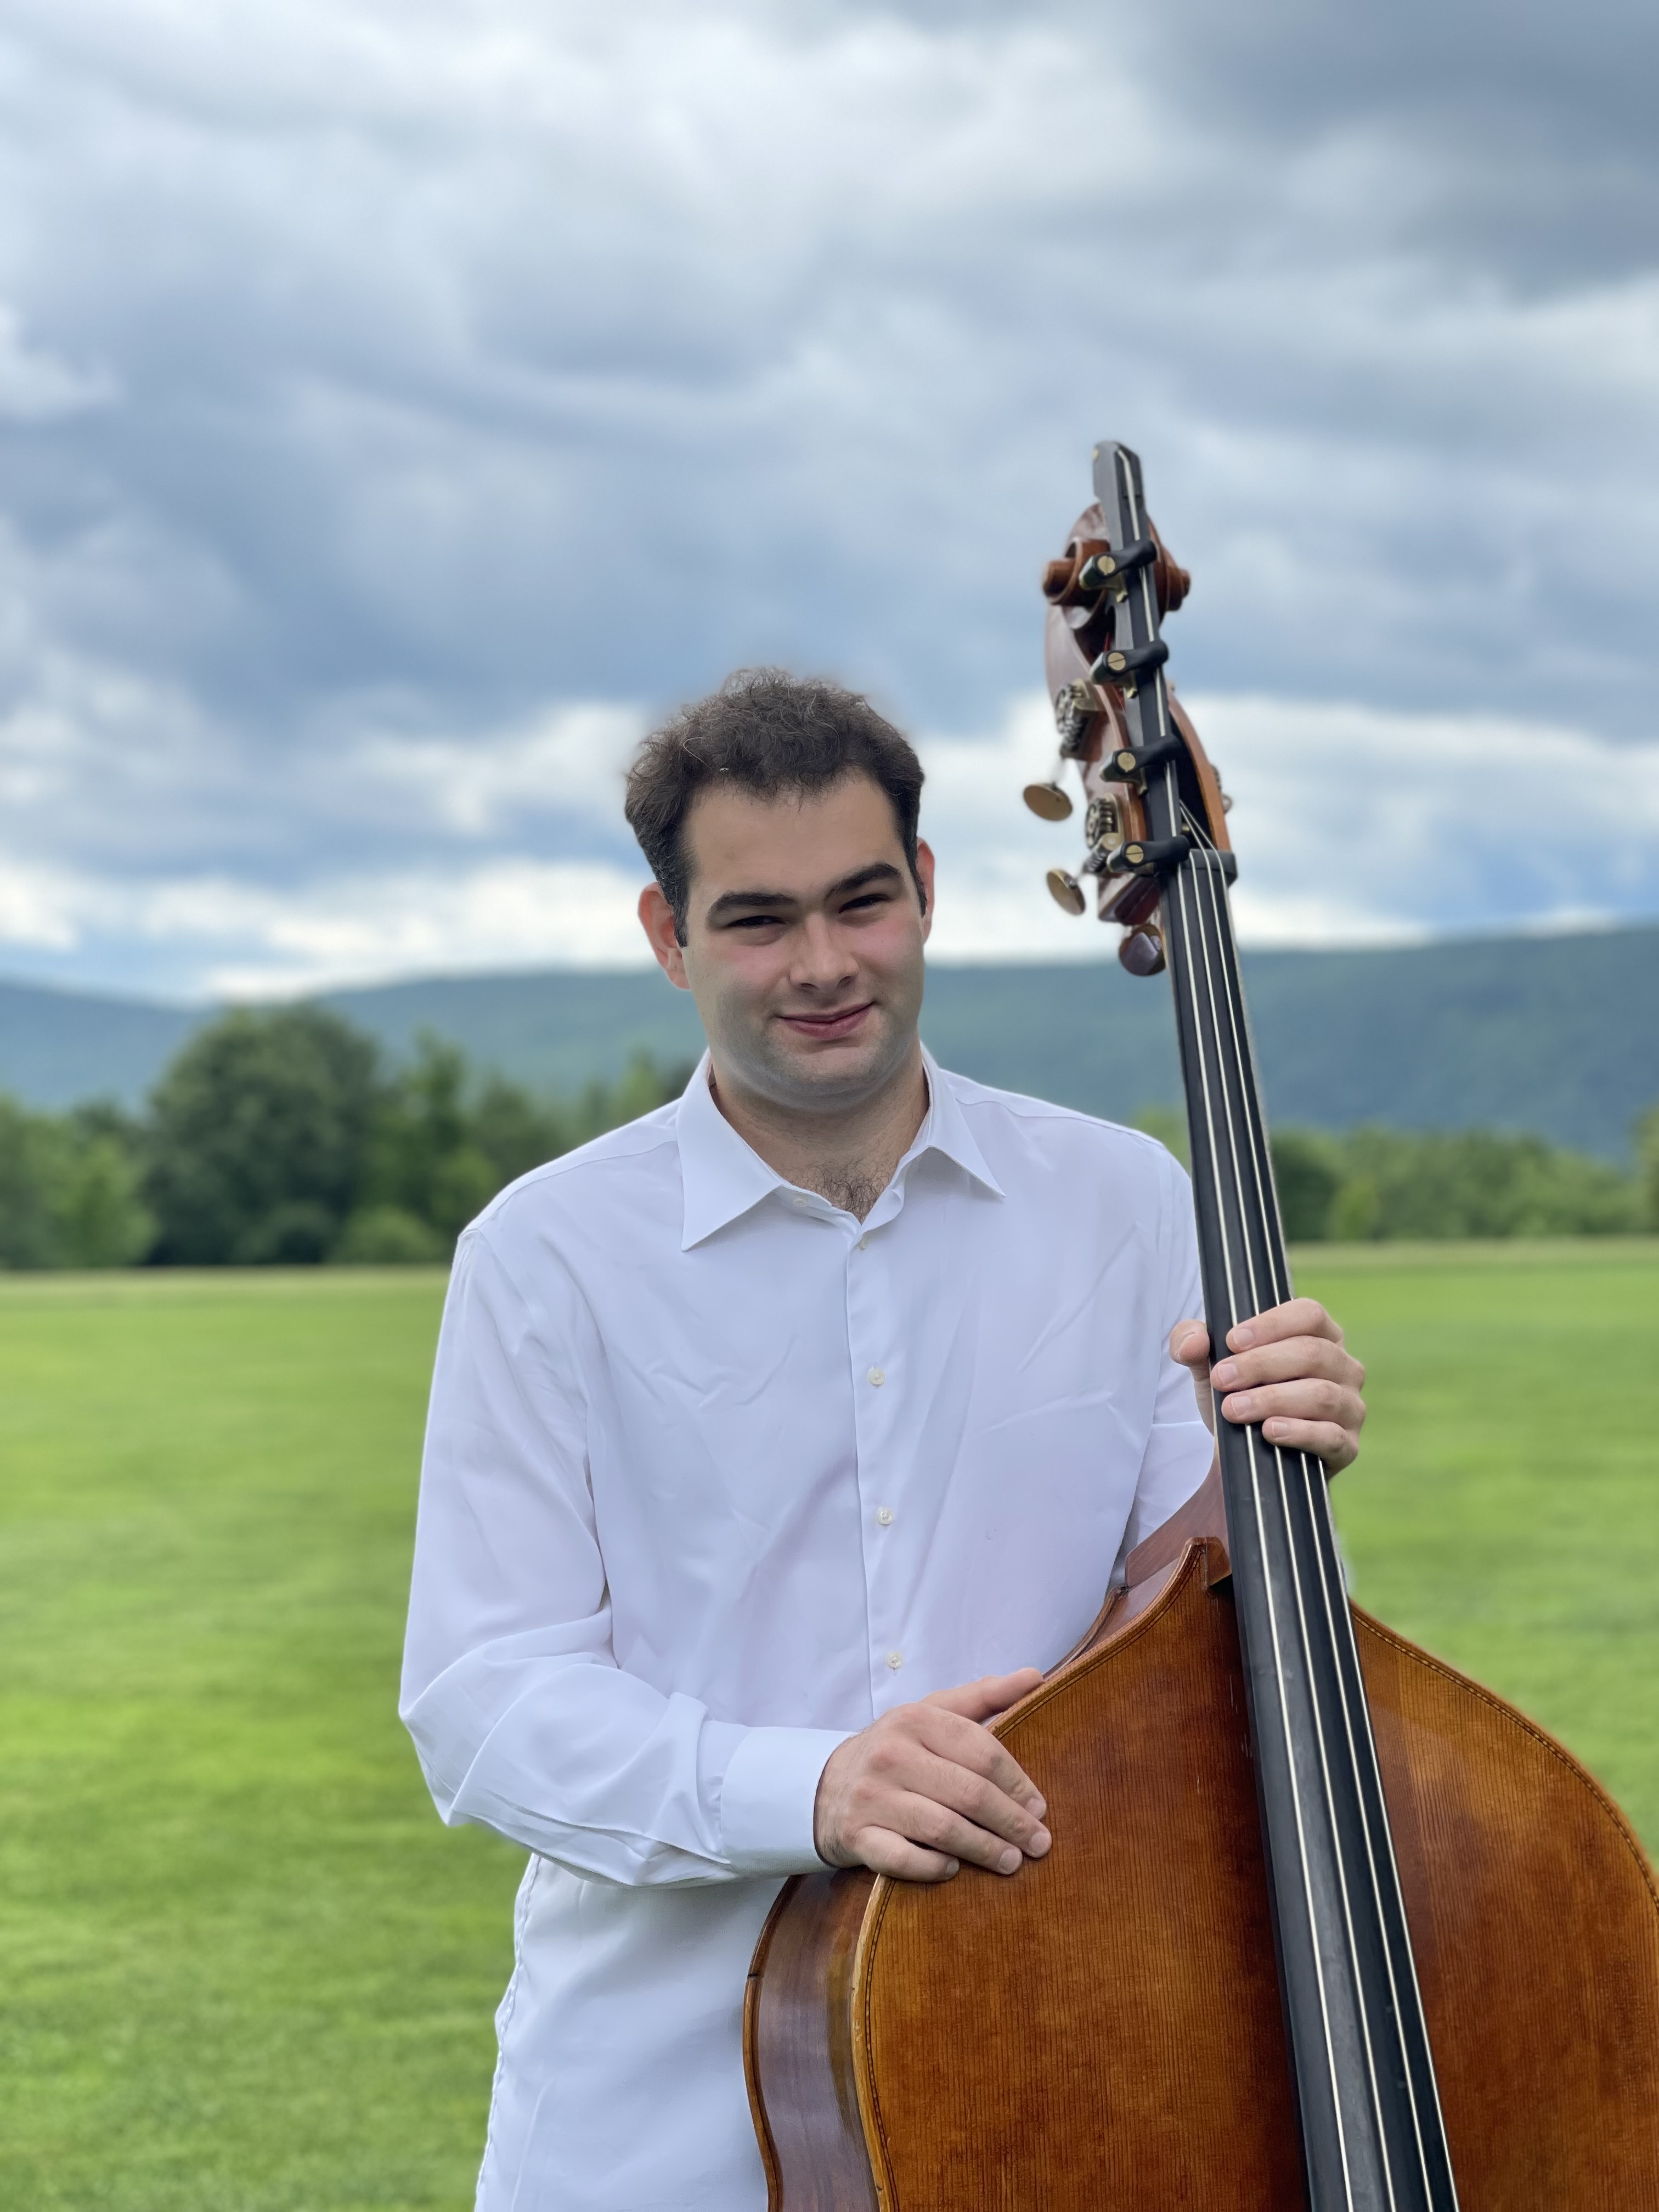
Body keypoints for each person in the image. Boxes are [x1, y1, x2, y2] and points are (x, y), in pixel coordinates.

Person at [400, 669, 1366, 2212]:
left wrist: (1276, 1468)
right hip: (661, 2121)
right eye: (758, 920)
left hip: (1053, 2074)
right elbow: (481, 1701)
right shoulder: (546, 1254)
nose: (824, 964)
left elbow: (1194, 1649)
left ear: (926, 891)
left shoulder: (1130, 1204)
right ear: (669, 939)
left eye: (862, 901)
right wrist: (810, 1786)